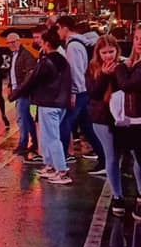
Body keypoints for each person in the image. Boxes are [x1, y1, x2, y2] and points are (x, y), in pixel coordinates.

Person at [10, 26, 72, 185]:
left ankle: (61, 170)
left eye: (41, 41)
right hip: (60, 102)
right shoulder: (62, 60)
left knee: (51, 137)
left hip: (48, 102)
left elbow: (32, 80)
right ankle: (51, 166)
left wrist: (15, 94)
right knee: (48, 136)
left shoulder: (46, 61)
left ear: (46, 43)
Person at [86, 36, 128, 215]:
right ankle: (118, 196)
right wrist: (104, 75)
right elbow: (93, 93)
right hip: (102, 118)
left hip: (125, 117)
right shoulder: (93, 68)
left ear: (117, 51)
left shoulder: (125, 65)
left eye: (111, 52)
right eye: (104, 53)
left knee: (130, 156)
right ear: (98, 53)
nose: (108, 56)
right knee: (111, 157)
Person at [57, 15, 104, 170]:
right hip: (83, 92)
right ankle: (104, 159)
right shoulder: (78, 43)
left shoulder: (73, 46)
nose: (58, 32)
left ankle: (60, 162)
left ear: (65, 28)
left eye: (58, 28)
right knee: (87, 128)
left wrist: (73, 93)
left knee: (65, 124)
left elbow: (76, 72)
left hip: (79, 93)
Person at [114, 23, 141, 221]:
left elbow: (126, 85)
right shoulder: (134, 62)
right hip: (133, 119)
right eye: (137, 38)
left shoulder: (132, 66)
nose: (139, 43)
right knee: (137, 160)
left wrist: (121, 68)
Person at [6, 32, 39, 157]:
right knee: (27, 119)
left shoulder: (26, 55)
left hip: (23, 92)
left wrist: (18, 90)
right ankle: (35, 142)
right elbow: (12, 72)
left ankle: (23, 144)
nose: (11, 45)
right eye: (9, 43)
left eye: (13, 42)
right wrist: (10, 86)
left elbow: (28, 77)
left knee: (22, 119)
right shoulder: (15, 55)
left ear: (19, 41)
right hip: (18, 90)